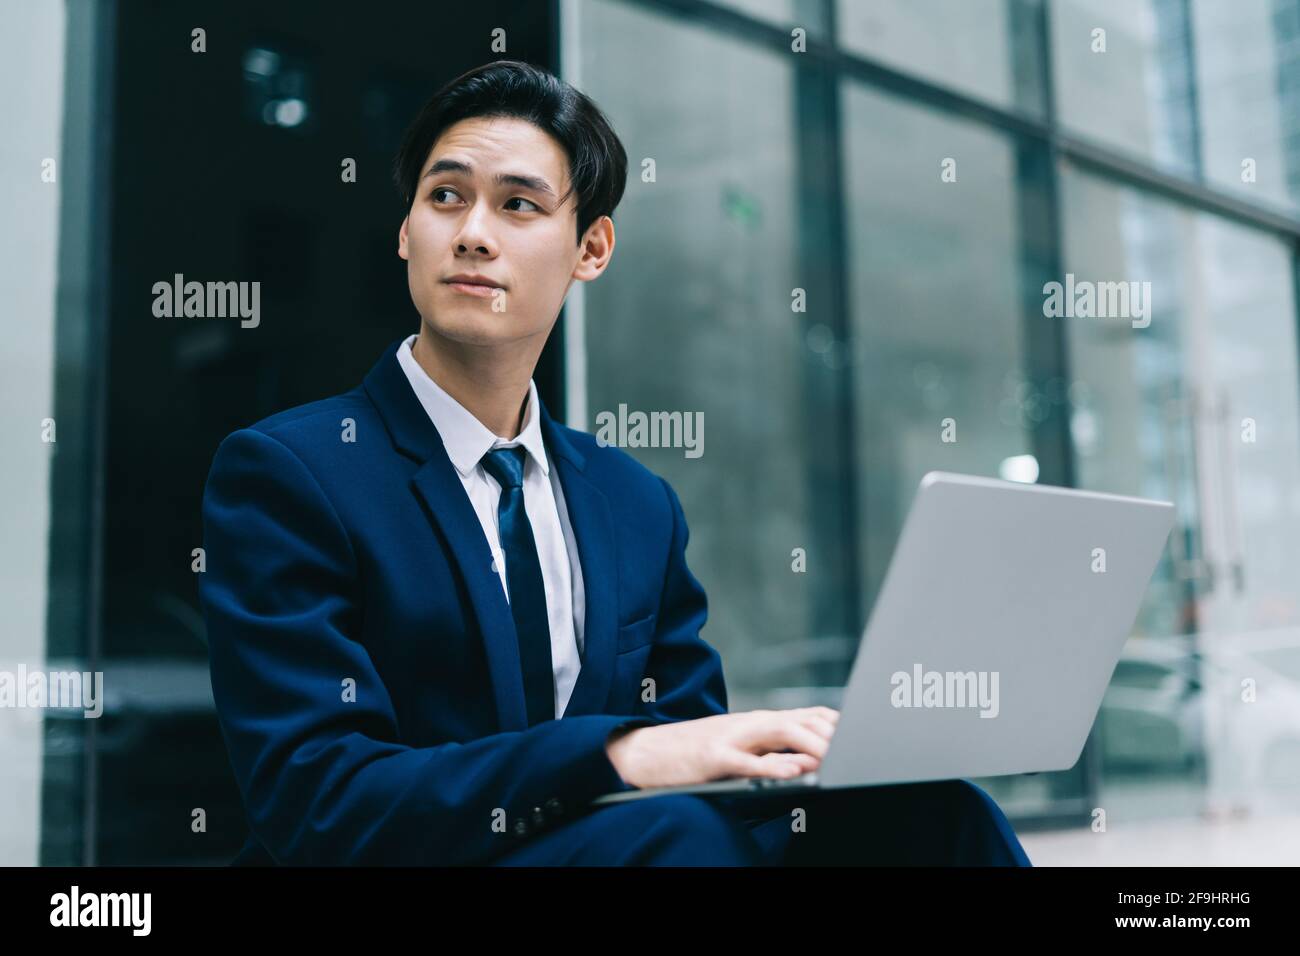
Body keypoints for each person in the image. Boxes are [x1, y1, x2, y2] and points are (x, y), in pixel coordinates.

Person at [198, 59, 1029, 867]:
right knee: (680, 840)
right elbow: (317, 800)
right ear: (408, 232)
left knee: (935, 814)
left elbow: (692, 752)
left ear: (591, 249)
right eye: (445, 197)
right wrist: (620, 753)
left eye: (519, 204)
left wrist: (800, 752)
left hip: (621, 846)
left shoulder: (636, 503)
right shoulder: (291, 473)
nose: (474, 234)